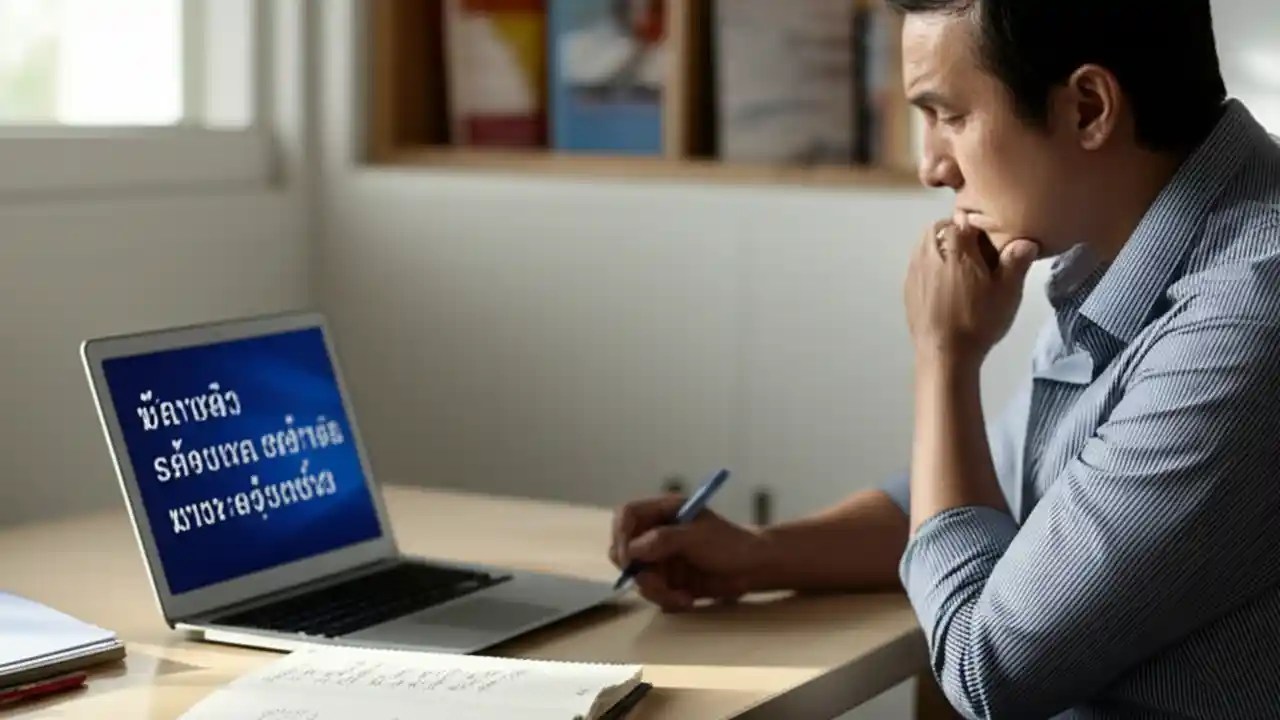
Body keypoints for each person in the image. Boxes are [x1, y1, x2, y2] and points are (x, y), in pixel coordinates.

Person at [608, 0, 1280, 717]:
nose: (931, 166)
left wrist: (944, 356)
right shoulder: (1119, 239)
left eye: (948, 115)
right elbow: (997, 505)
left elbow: (985, 663)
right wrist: (758, 555)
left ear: (1088, 107)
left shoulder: (1246, 314)